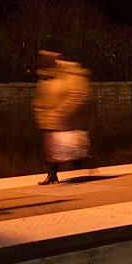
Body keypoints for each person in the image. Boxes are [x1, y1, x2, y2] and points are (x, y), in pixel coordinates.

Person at [33, 51, 91, 185]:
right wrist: (41, 112)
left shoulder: (70, 74)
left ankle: (84, 164)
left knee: (73, 144)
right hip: (50, 118)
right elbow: (41, 97)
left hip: (68, 117)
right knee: (50, 147)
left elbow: (78, 93)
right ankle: (52, 174)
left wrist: (64, 110)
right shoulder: (46, 77)